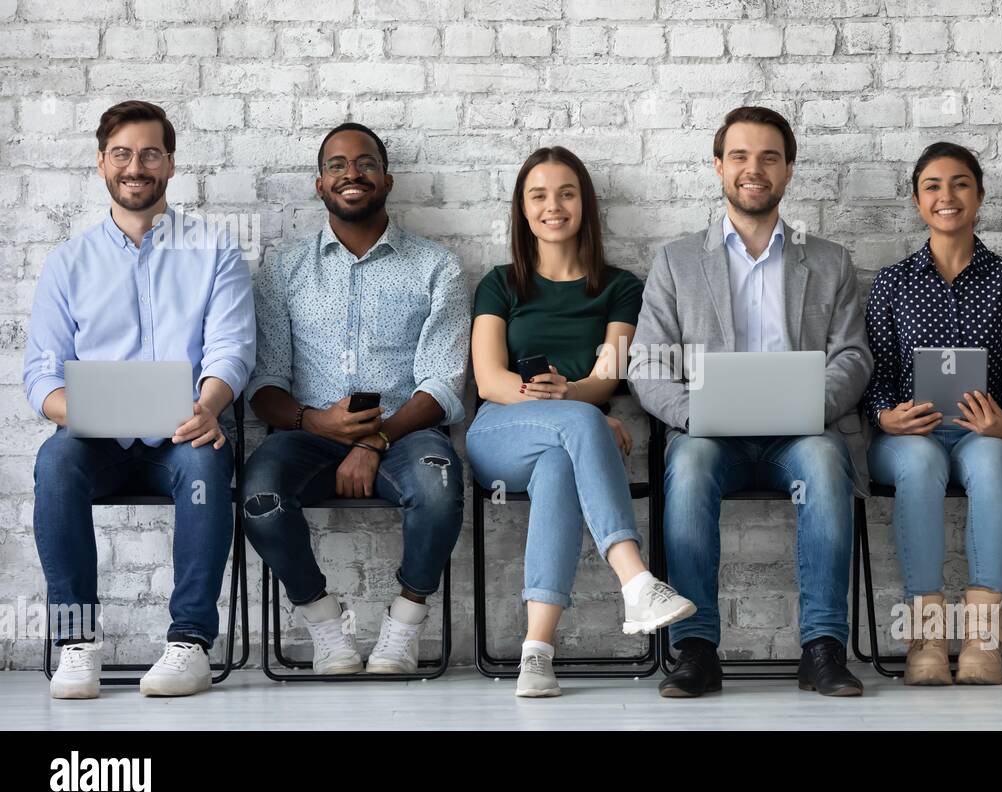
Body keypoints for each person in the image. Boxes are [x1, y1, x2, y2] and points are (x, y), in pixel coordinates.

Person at [629, 106, 871, 698]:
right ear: (718, 167)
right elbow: (646, 363)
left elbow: (854, 357)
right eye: (739, 156)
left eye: (769, 157)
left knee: (822, 461)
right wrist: (696, 414)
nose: (753, 169)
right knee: (686, 466)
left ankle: (822, 648)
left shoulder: (830, 260)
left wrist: (812, 408)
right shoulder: (676, 260)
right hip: (710, 434)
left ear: (788, 170)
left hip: (803, 431)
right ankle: (696, 650)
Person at [23, 100, 255, 698]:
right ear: (101, 163)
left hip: (182, 432)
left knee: (207, 464)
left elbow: (231, 347)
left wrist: (210, 404)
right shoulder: (68, 264)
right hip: (95, 438)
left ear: (170, 164)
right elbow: (40, 375)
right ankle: (76, 643)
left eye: (150, 153)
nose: (136, 166)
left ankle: (190, 643)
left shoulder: (214, 250)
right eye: (122, 153)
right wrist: (86, 413)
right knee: (54, 463)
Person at [467, 146, 695, 698]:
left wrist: (576, 399)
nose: (553, 206)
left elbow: (610, 377)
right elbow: (488, 380)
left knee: (559, 470)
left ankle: (536, 655)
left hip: (564, 441)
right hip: (499, 432)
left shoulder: (620, 287)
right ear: (522, 209)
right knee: (581, 425)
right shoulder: (500, 282)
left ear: (585, 204)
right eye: (538, 195)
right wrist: (574, 409)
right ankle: (636, 580)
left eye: (566, 193)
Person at [242, 123, 469, 676]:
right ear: (319, 185)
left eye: (365, 163)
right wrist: (317, 423)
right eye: (338, 165)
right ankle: (324, 626)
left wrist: (375, 439)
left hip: (407, 436)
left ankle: (404, 625)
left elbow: (442, 385)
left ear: (386, 179)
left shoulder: (436, 266)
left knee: (440, 488)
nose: (352, 174)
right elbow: (263, 386)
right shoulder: (283, 268)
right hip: (306, 436)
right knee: (258, 497)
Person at [864, 142, 1002, 686]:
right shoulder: (891, 284)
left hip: (983, 434)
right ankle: (926, 639)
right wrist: (884, 416)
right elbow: (875, 373)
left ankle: (983, 640)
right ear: (918, 201)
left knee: (991, 465)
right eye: (933, 186)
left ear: (980, 196)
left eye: (961, 183)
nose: (948, 196)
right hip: (907, 436)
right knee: (918, 464)